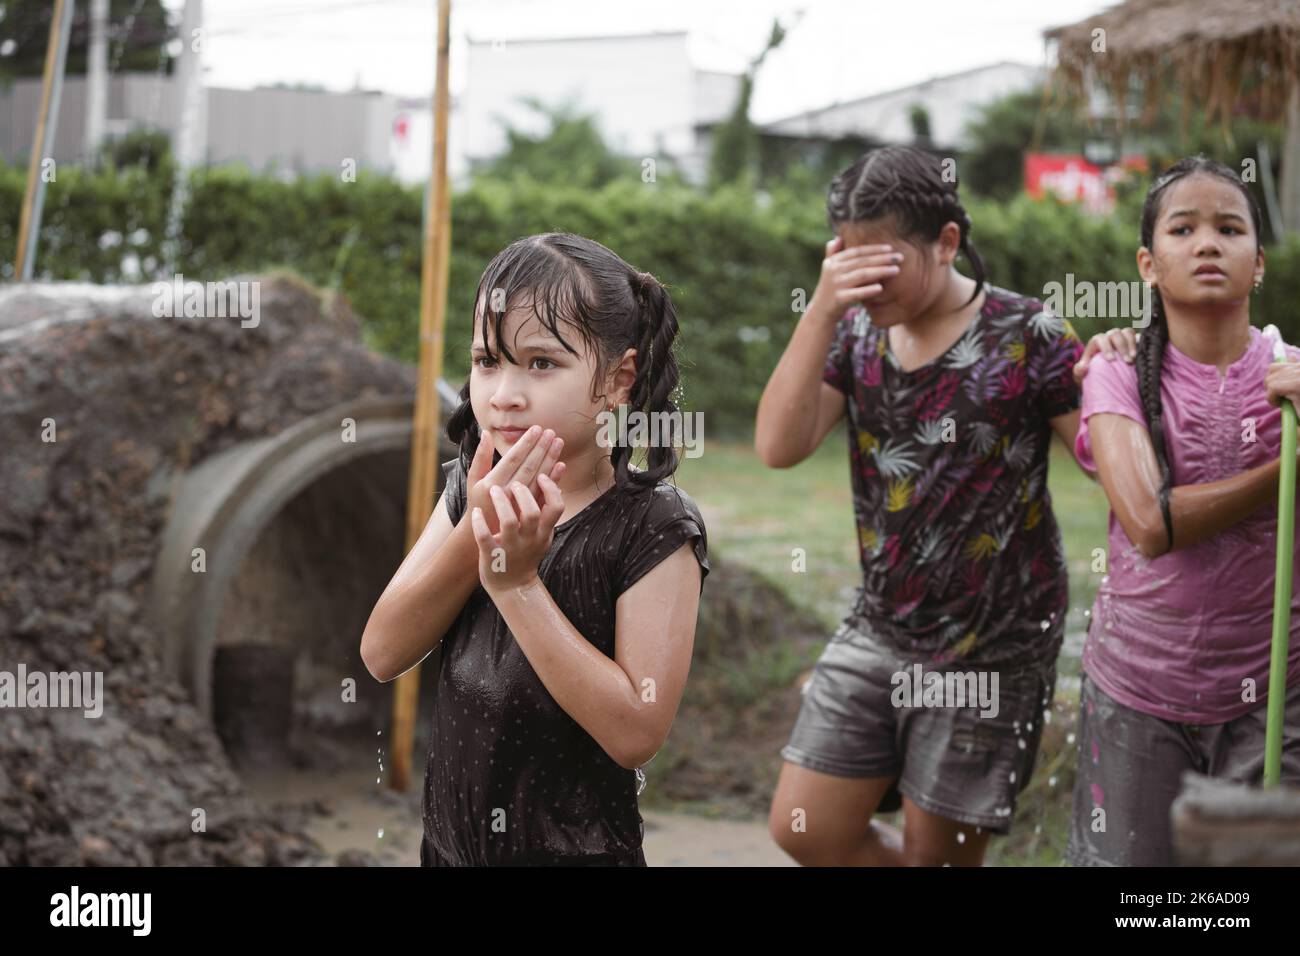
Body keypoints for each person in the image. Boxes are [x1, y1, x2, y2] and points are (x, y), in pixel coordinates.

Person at [756, 145, 1087, 866]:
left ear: (946, 243)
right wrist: (820, 308)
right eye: (848, 257)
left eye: (884, 259)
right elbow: (779, 445)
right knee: (803, 826)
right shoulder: (853, 331)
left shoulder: (1029, 334)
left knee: (934, 859)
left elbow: (1103, 458)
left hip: (992, 648)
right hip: (879, 626)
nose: (865, 279)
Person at [361, 232, 709, 866]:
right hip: (449, 851)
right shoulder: (468, 489)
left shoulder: (650, 527)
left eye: (541, 363)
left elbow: (635, 732)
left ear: (618, 379)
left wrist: (516, 584)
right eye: (488, 361)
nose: (504, 394)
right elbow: (383, 652)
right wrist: (478, 527)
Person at [1067, 156, 1300, 866]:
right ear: (1148, 262)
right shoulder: (1114, 370)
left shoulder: (1294, 377)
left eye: (1230, 229)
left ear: (1257, 263)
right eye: (1184, 228)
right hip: (1139, 688)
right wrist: (1287, 464)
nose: (1207, 243)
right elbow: (1150, 524)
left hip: (1273, 696)